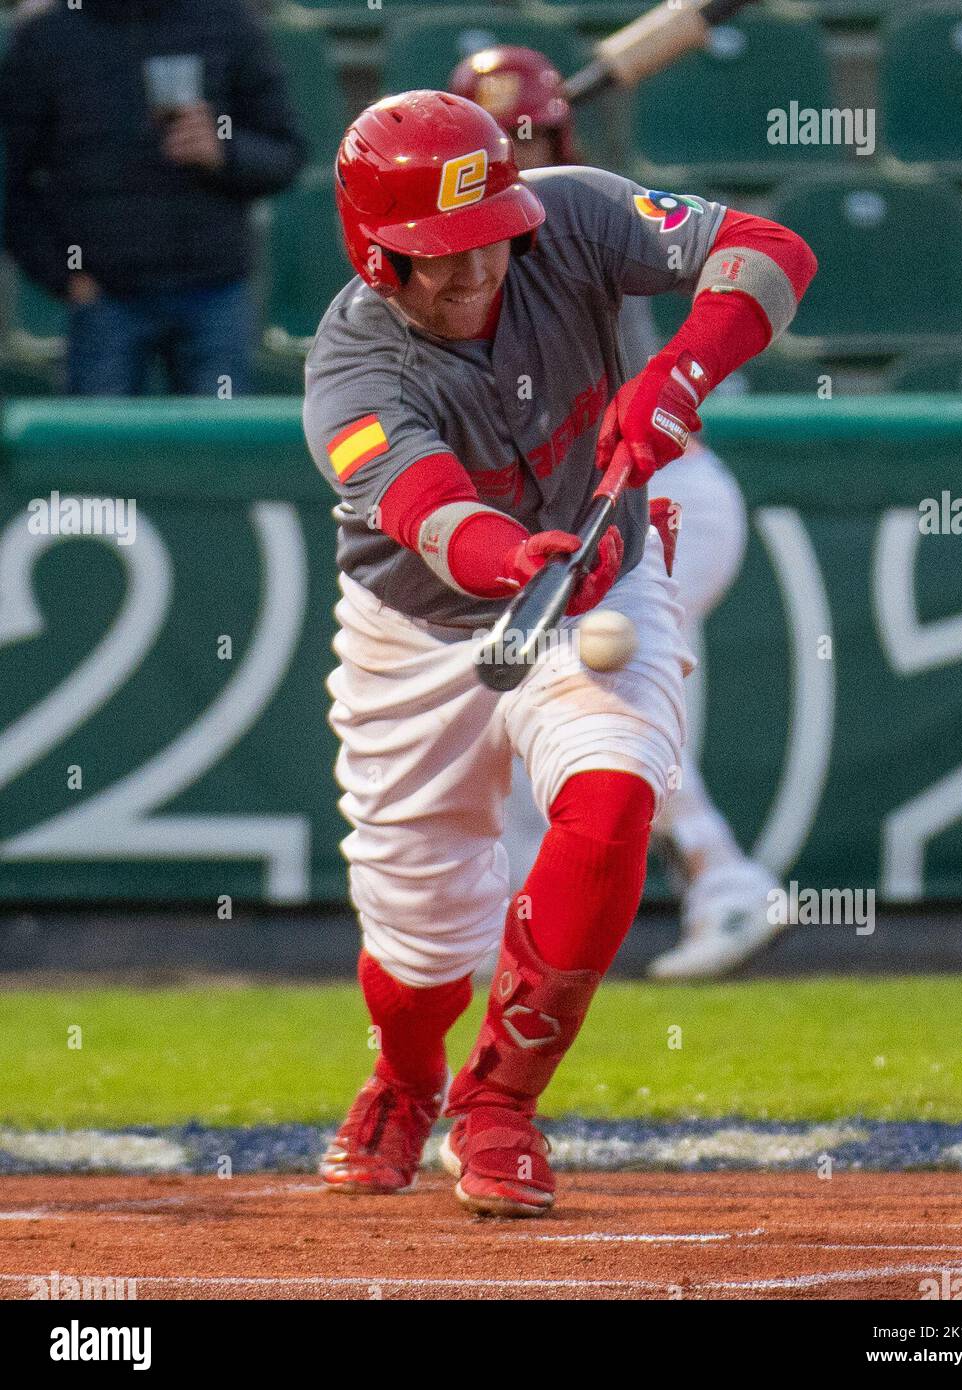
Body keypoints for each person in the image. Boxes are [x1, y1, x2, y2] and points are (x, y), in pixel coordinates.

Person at [303, 89, 816, 1216]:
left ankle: (499, 1107)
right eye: (434, 256)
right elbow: (423, 509)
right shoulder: (350, 365)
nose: (472, 271)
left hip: (601, 576)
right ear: (371, 249)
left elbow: (770, 249)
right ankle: (403, 1076)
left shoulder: (571, 212)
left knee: (615, 792)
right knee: (417, 942)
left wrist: (679, 371)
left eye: (487, 238)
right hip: (420, 627)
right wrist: (511, 557)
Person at [449, 46, 785, 979]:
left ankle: (725, 883)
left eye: (533, 138)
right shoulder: (457, 247)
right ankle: (529, 920)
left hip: (663, 491)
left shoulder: (578, 211)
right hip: (598, 503)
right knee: (543, 704)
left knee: (588, 690)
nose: (517, 160)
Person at [0, 0, 306, 396]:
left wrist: (223, 151)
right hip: (104, 298)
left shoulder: (228, 23)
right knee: (100, 452)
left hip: (215, 292)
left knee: (219, 450)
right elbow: (10, 180)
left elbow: (286, 154)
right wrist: (65, 277)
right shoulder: (49, 37)